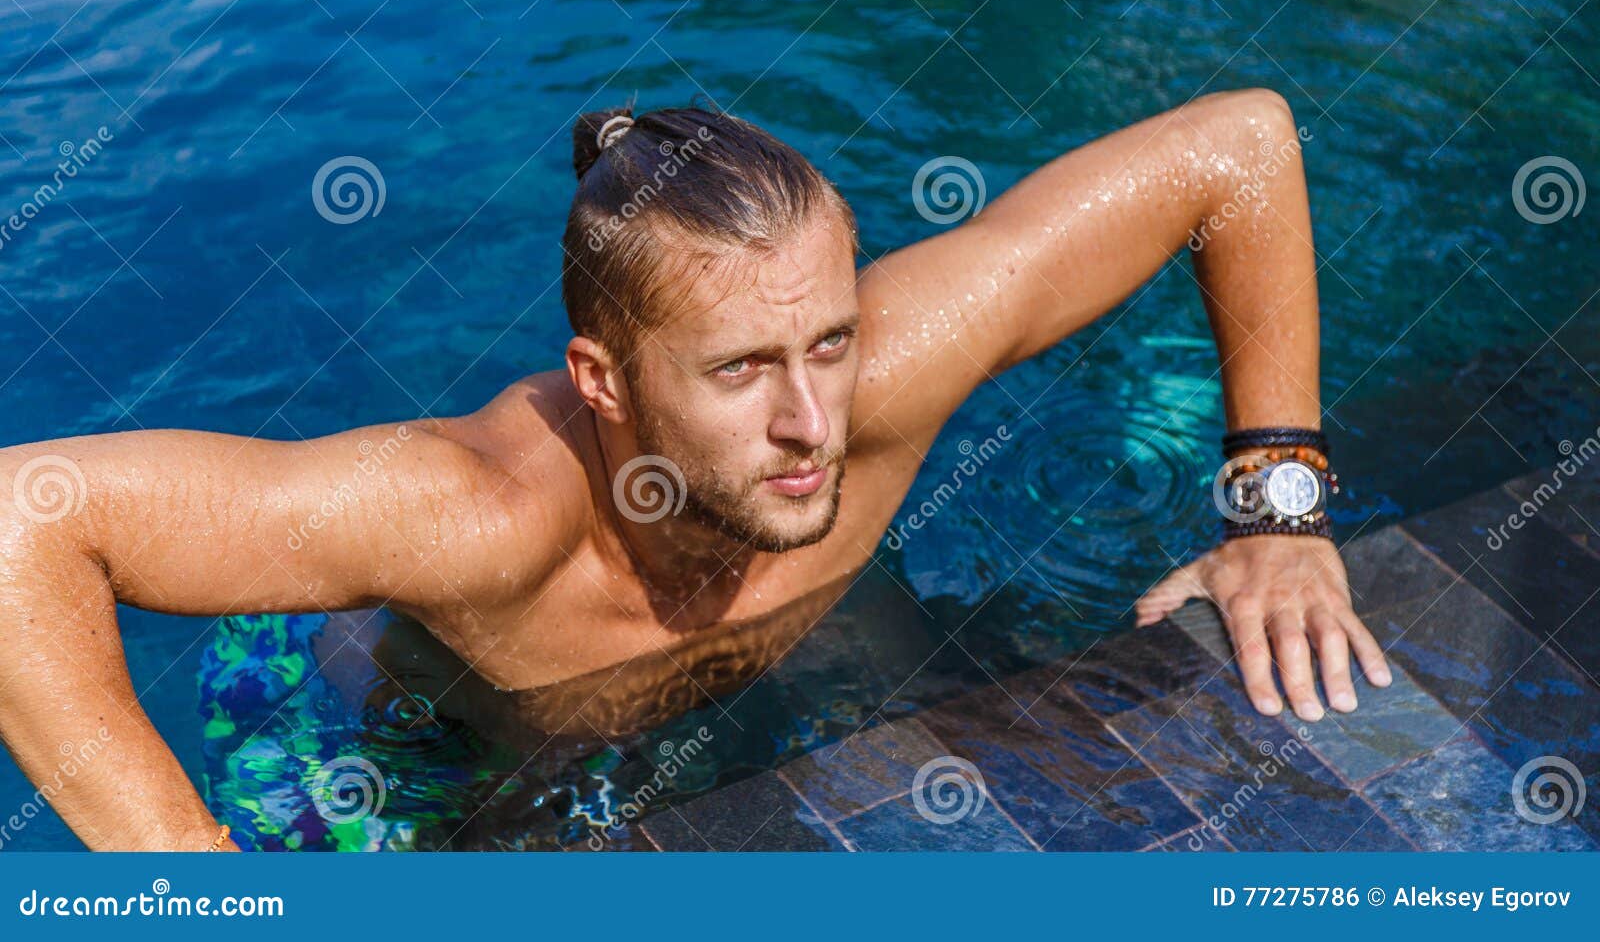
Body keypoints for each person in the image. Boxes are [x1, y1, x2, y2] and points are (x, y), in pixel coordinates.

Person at [0, 88, 1391, 851]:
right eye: (739, 371)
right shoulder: (483, 517)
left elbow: (1237, 149)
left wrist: (1277, 509)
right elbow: (21, 518)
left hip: (801, 644)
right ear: (604, 382)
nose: (812, 423)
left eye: (830, 341)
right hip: (460, 747)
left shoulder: (873, 389)